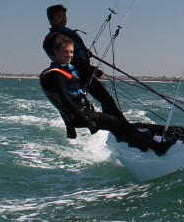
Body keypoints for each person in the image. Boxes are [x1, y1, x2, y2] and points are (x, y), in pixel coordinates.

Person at [39, 34, 174, 155]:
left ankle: (140, 145)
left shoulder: (64, 70)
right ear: (55, 52)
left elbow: (61, 102)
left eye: (71, 52)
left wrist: (69, 125)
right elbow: (65, 101)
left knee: (115, 125)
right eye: (65, 52)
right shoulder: (56, 75)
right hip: (81, 116)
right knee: (117, 122)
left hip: (77, 116)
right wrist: (87, 122)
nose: (69, 55)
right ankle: (158, 148)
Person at [42, 4, 128, 121]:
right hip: (76, 74)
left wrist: (86, 53)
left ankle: (118, 125)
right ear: (50, 20)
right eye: (59, 17)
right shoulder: (56, 38)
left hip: (81, 72)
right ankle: (121, 126)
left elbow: (75, 55)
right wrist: (90, 69)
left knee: (105, 100)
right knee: (106, 99)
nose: (63, 20)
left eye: (64, 16)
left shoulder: (63, 35)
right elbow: (71, 59)